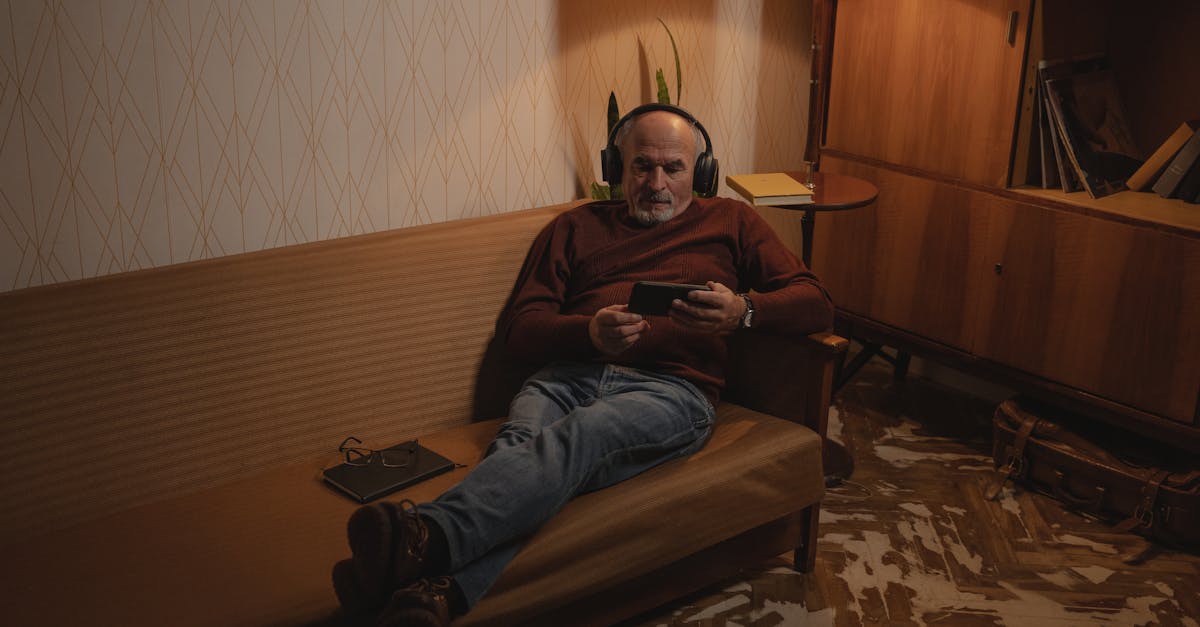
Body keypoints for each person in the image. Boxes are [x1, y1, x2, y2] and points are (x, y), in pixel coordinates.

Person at [330, 104, 834, 626]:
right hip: (564, 378)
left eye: (673, 168)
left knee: (586, 432)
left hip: (671, 390)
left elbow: (816, 301)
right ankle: (433, 597)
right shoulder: (573, 228)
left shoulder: (732, 220)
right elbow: (520, 331)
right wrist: (588, 332)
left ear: (699, 173)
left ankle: (426, 536)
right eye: (642, 166)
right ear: (615, 169)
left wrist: (742, 311)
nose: (656, 182)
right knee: (516, 453)